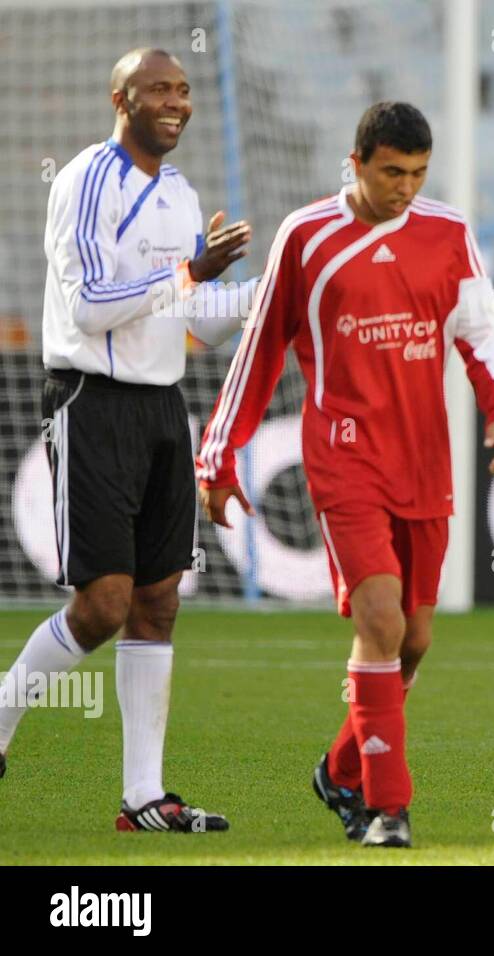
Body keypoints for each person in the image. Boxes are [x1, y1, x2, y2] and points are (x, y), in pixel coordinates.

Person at [194, 102, 494, 848]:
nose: (404, 188)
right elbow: (261, 349)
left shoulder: (446, 234)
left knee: (413, 641)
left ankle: (340, 770)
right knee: (379, 622)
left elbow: (480, 333)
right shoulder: (307, 236)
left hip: (425, 460)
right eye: (390, 173)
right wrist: (217, 457)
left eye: (416, 174)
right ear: (357, 162)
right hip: (343, 458)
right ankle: (388, 808)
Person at [0, 48, 253, 831]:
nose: (176, 102)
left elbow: (193, 326)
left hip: (159, 406)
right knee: (104, 603)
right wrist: (190, 272)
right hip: (91, 402)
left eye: (182, 90)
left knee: (157, 600)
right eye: (159, 90)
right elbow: (88, 308)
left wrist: (257, 296)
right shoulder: (85, 180)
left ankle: (144, 798)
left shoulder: (180, 194)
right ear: (122, 97)